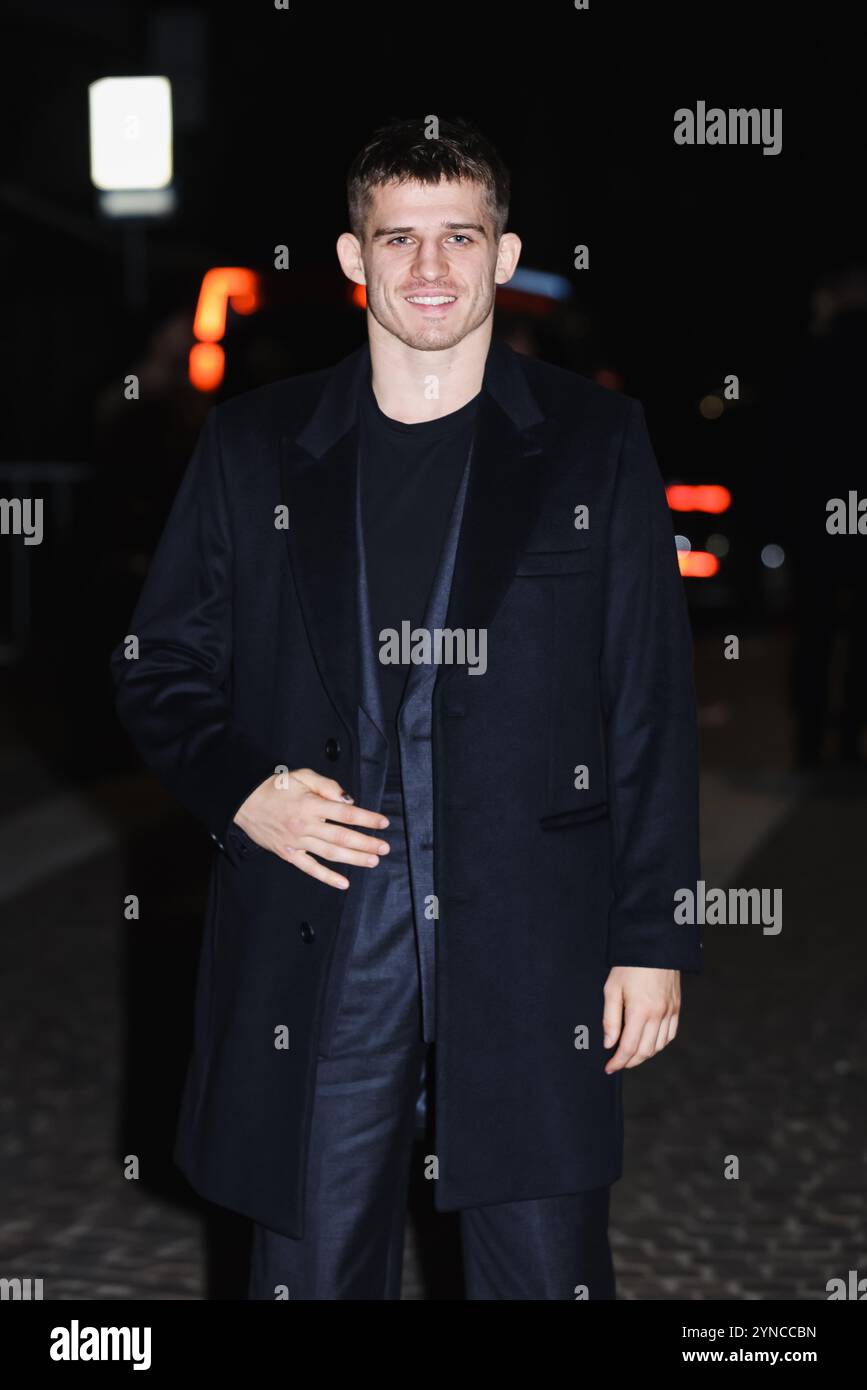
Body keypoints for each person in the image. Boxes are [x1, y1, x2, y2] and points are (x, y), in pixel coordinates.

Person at [111, 115, 702, 1301]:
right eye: (399, 240)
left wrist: (651, 938)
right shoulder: (255, 445)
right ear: (352, 257)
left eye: (458, 238)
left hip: (532, 933)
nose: (429, 269)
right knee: (314, 1268)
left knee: (542, 1271)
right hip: (325, 917)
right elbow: (154, 663)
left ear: (503, 251)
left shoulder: (595, 443)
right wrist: (246, 792)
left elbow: (648, 703)